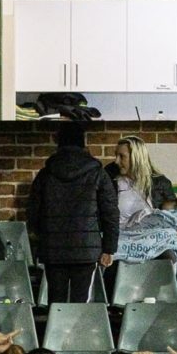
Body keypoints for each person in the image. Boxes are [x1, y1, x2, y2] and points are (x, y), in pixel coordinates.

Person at [27, 123, 118, 304]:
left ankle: (54, 332)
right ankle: (77, 333)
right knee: (81, 304)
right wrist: (109, 248)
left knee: (56, 303)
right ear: (83, 144)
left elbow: (32, 211)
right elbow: (110, 213)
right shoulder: (97, 173)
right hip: (87, 250)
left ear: (58, 143)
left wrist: (42, 238)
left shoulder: (46, 173)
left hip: (53, 249)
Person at [105, 136, 177, 288]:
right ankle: (116, 306)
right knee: (109, 259)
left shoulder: (160, 183)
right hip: (121, 239)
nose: (116, 161)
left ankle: (166, 304)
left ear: (136, 157)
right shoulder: (109, 179)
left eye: (121, 156)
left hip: (153, 241)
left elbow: (175, 218)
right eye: (116, 155)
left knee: (169, 258)